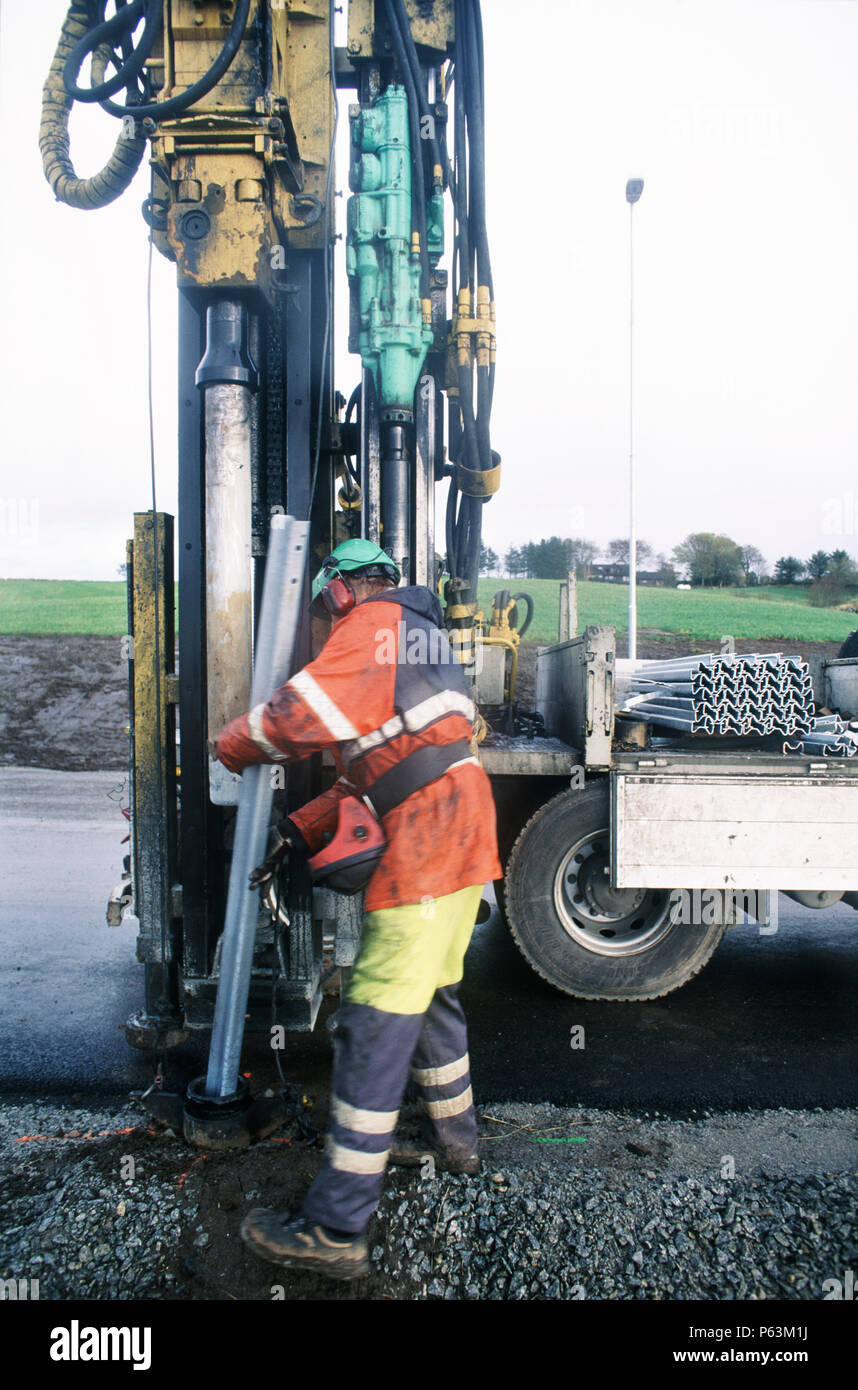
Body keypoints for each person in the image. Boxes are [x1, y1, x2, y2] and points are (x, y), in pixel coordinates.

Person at [214, 539, 501, 1281]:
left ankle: (335, 1227)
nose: (319, 624)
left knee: (374, 1016)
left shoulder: (371, 627)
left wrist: (234, 742)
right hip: (460, 829)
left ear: (339, 593)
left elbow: (297, 714)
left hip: (430, 842)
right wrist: (300, 830)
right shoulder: (416, 634)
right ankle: (458, 1142)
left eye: (319, 610)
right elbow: (383, 765)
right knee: (432, 995)